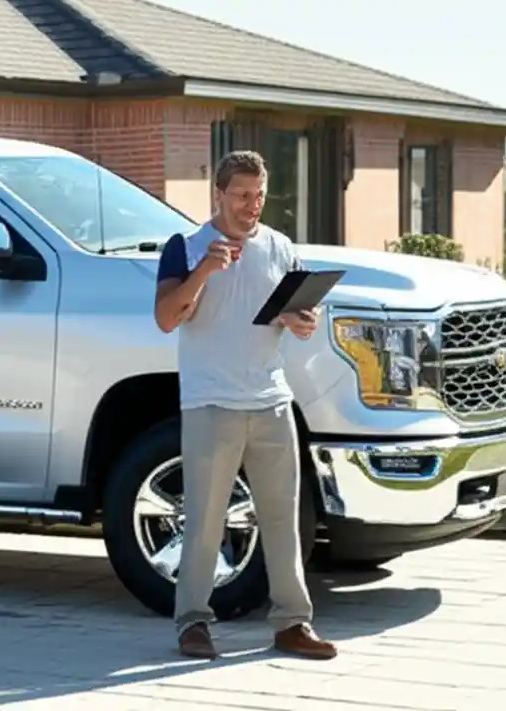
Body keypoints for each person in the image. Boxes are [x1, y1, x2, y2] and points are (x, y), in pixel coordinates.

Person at [152, 150, 337, 661]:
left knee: (284, 519)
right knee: (205, 521)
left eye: (258, 196)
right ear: (218, 194)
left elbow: (297, 314)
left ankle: (292, 623)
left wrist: (303, 321)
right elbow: (167, 317)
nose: (251, 206)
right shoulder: (185, 247)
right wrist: (206, 270)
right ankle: (192, 622)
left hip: (272, 401)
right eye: (241, 196)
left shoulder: (279, 247)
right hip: (211, 403)